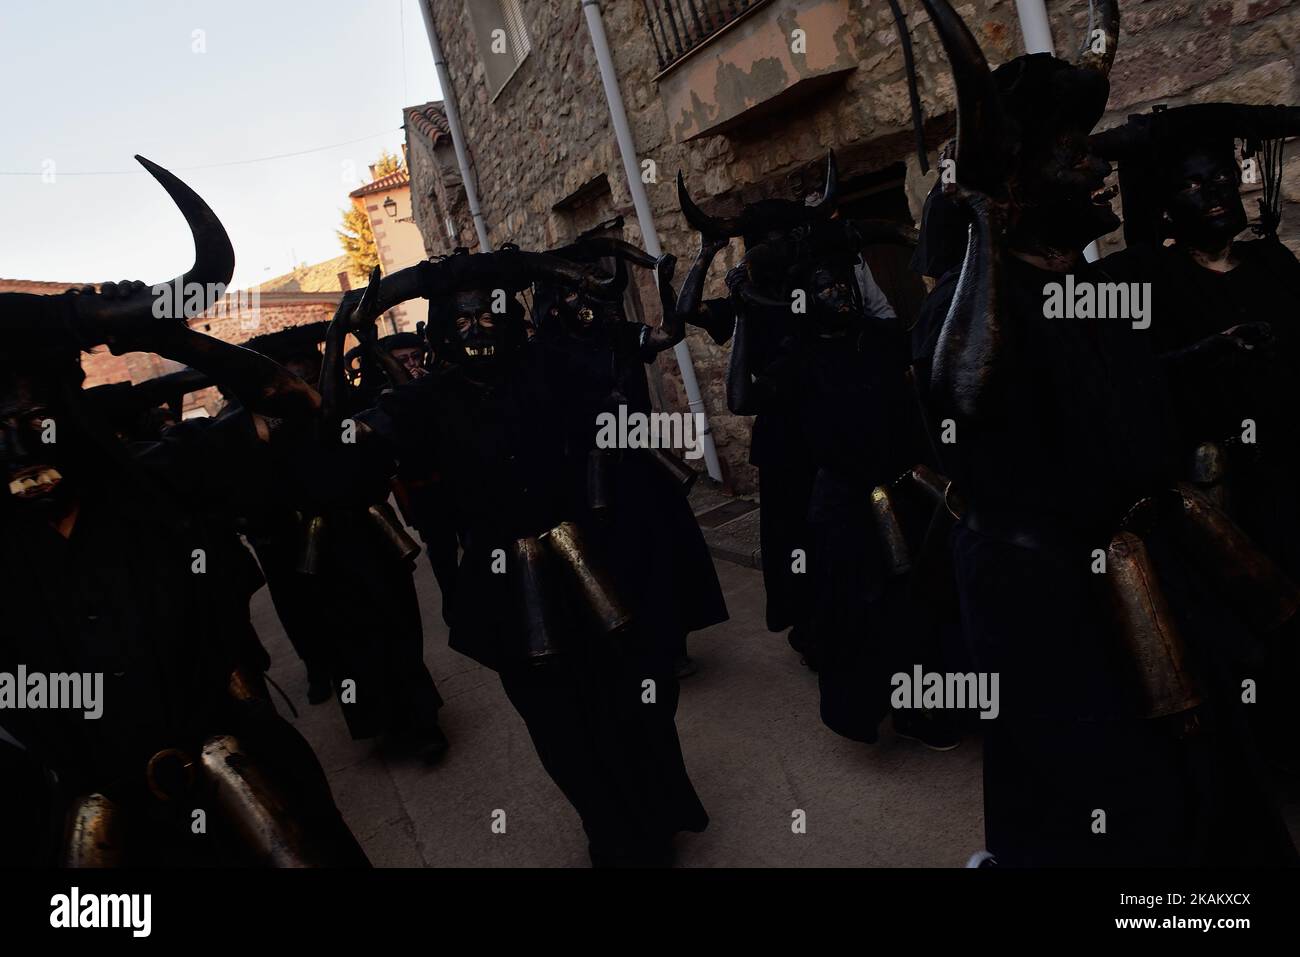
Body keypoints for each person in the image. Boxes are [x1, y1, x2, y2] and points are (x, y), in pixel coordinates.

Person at [913, 0, 1297, 866]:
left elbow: (1114, 396)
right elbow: (966, 394)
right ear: (1015, 178)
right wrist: (978, 219)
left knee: (1208, 789)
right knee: (1110, 807)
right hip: (1047, 606)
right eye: (1074, 152)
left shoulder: (1085, 286)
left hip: (1146, 563)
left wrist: (1203, 362)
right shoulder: (964, 310)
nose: (1097, 168)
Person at [0, 157, 366, 866]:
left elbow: (298, 415)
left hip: (251, 789)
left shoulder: (166, 479)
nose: (17, 440)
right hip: (104, 844)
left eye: (35, 413)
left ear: (73, 407)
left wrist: (169, 336)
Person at [326, 250, 711, 866]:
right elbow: (350, 449)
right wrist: (341, 360)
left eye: (490, 316)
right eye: (464, 320)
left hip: (597, 562)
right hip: (508, 586)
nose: (478, 330)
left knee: (634, 697)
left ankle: (656, 810)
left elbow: (619, 422)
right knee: (559, 720)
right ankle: (611, 831)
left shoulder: (557, 366)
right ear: (443, 331)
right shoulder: (425, 402)